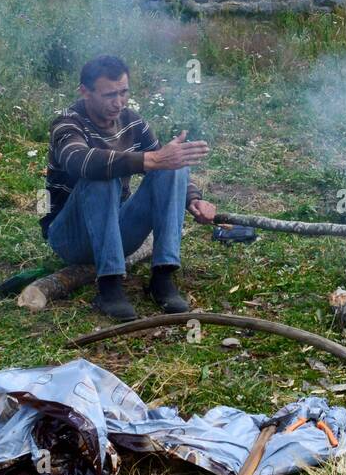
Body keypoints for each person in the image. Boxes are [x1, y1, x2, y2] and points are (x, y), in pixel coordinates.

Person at [41, 54, 216, 322]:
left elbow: (163, 162)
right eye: (109, 95)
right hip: (71, 236)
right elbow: (79, 162)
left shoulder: (133, 122)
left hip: (117, 230)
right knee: (102, 171)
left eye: (124, 92)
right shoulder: (66, 123)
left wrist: (192, 198)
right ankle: (109, 286)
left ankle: (163, 276)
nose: (119, 102)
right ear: (85, 92)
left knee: (173, 165)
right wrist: (149, 160)